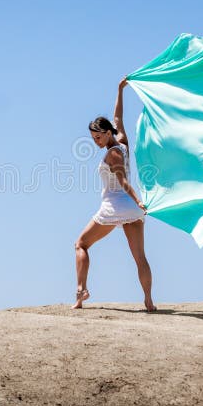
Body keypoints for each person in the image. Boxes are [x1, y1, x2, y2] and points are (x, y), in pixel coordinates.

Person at [72, 77, 156, 312]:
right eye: (93, 138)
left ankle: (80, 293)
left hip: (115, 206)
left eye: (98, 137)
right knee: (140, 257)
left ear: (108, 133)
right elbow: (118, 117)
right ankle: (149, 301)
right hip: (131, 209)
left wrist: (139, 200)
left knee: (81, 244)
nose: (96, 142)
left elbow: (123, 182)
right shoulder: (122, 142)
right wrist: (120, 90)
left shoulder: (113, 154)